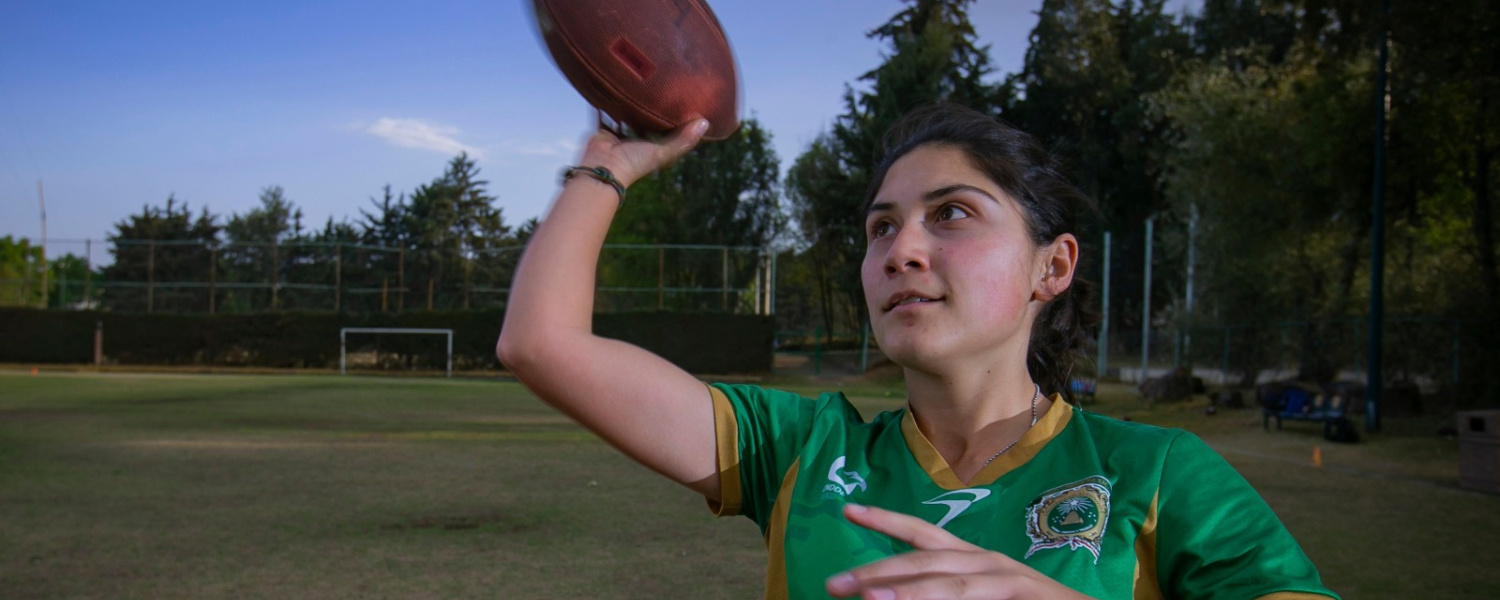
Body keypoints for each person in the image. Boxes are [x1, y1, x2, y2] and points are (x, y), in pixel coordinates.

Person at [497, 103, 1337, 600]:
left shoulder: (1158, 475)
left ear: (1052, 267)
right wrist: (606, 167)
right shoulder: (798, 452)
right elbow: (542, 342)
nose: (901, 250)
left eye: (953, 214)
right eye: (880, 228)